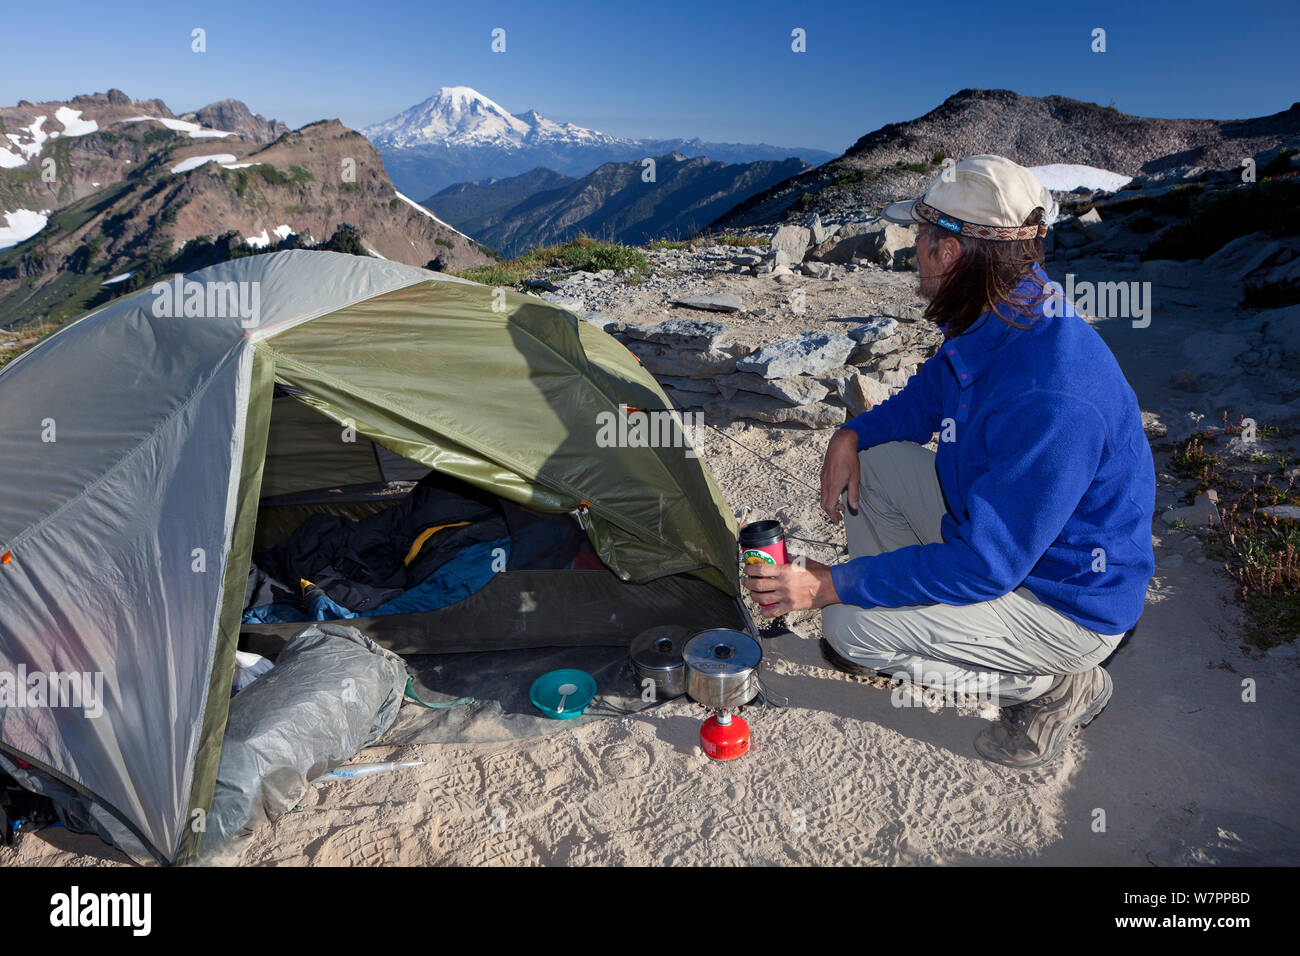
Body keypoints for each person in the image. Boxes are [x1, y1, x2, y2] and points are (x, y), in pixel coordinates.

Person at [741, 155, 1155, 768]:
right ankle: (913, 612)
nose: (913, 251)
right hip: (995, 540)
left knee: (848, 630)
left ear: (950, 253)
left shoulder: (1052, 394)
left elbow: (987, 566)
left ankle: (1052, 684)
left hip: (1063, 603)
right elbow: (928, 398)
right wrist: (852, 434)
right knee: (877, 461)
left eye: (921, 237)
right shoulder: (1001, 308)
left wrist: (832, 585)